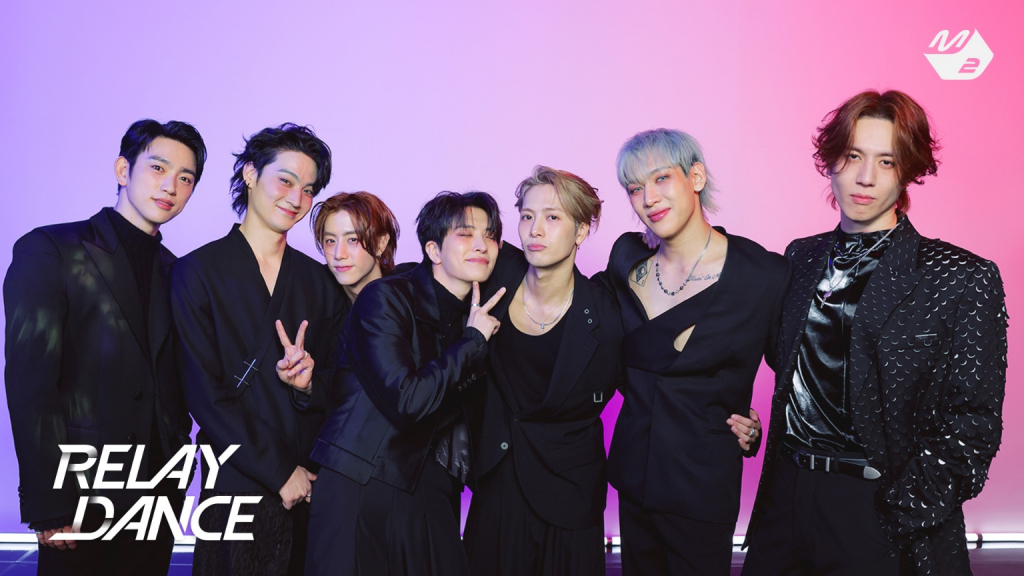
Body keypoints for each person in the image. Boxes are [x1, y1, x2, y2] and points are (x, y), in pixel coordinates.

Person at [742, 90, 1008, 576]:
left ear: (908, 171)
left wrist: (900, 513)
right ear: (831, 162)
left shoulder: (959, 276)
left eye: (886, 161)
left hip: (876, 503)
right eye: (853, 156)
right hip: (786, 494)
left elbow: (974, 422)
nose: (865, 177)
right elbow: (785, 369)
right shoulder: (800, 257)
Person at [4, 119, 205, 575]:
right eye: (158, 168)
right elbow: (30, 382)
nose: (170, 186)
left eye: (186, 178)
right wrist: (49, 504)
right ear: (122, 170)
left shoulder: (179, 273)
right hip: (79, 493)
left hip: (157, 496)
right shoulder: (51, 248)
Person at [599, 128, 789, 575]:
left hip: (703, 484)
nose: (649, 198)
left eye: (661, 178)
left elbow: (798, 374)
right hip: (634, 477)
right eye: (634, 188)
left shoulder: (763, 275)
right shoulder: (625, 259)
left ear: (696, 177)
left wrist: (758, 428)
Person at [170, 123, 343, 576]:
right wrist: (279, 471)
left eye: (309, 189)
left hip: (308, 484)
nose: (296, 198)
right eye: (285, 180)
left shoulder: (320, 281)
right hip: (236, 480)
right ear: (250, 174)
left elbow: (340, 382)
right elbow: (203, 395)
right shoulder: (196, 272)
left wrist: (308, 386)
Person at [306, 191, 506, 576]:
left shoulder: (474, 313)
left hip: (427, 483)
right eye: (466, 234)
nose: (481, 244)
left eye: (490, 235)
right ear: (433, 250)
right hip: (360, 482)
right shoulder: (385, 297)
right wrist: (472, 342)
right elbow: (407, 400)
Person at [463, 166, 623, 576]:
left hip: (569, 492)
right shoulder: (493, 276)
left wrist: (730, 412)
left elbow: (650, 381)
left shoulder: (606, 313)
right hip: (497, 483)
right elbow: (428, 286)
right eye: (527, 216)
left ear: (581, 231)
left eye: (552, 217)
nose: (535, 229)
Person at [309, 191, 401, 304]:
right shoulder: (318, 299)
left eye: (353, 240)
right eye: (331, 241)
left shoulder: (406, 296)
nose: (339, 255)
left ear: (380, 244)